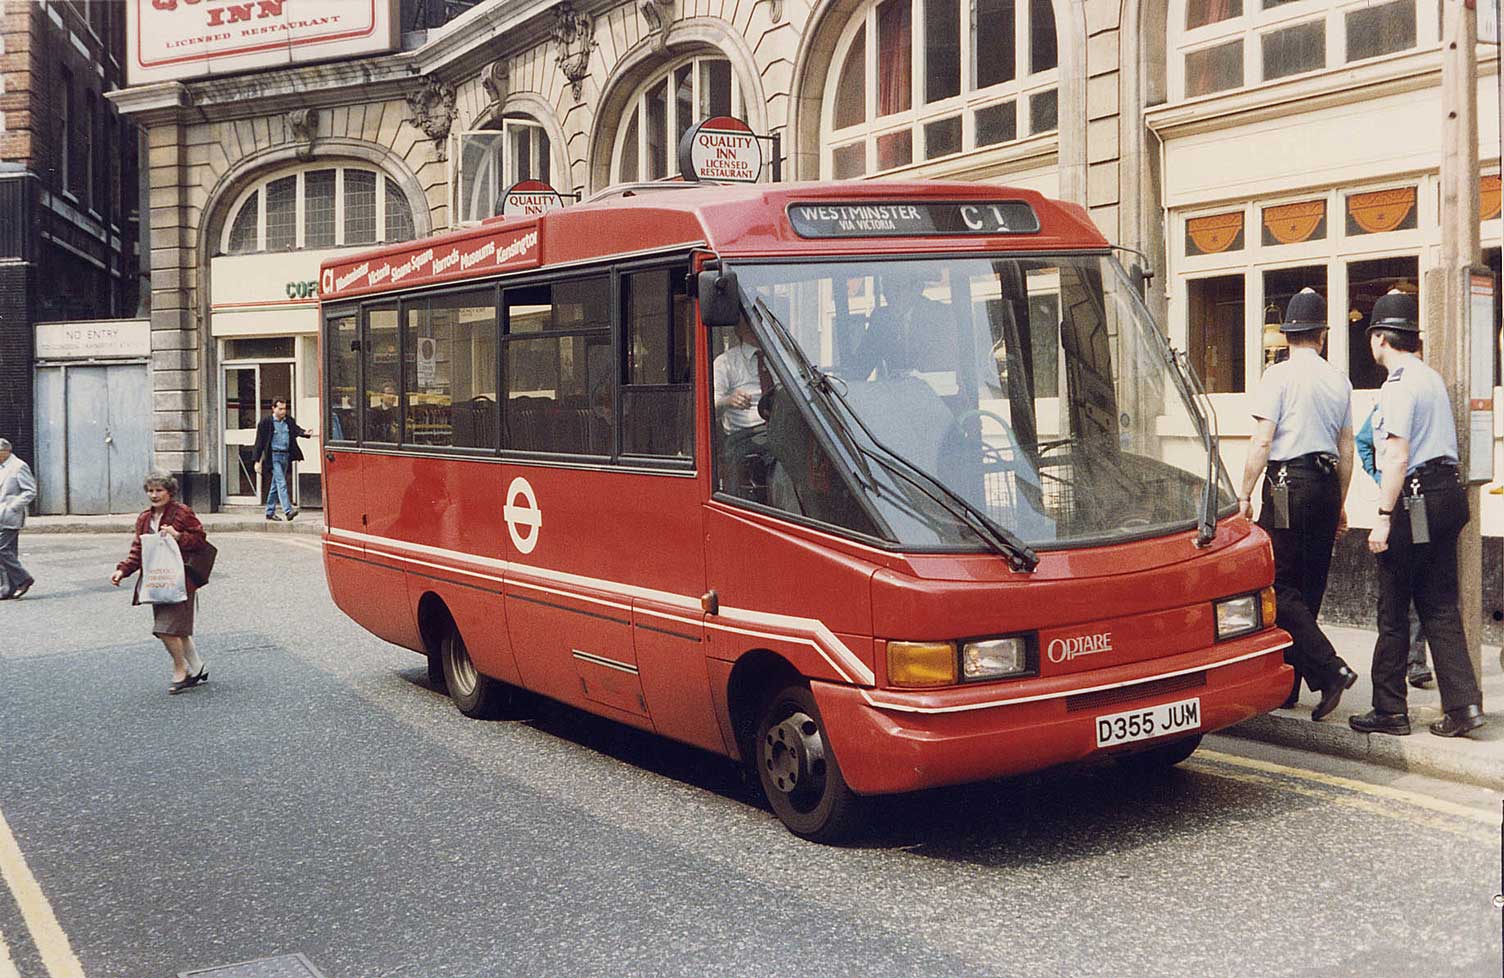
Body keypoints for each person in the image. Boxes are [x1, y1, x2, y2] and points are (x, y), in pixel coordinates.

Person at [1349, 290, 1486, 738]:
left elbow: (1397, 455)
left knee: (1392, 607)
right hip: (1447, 494)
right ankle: (1463, 707)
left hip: (1415, 498)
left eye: (1371, 335)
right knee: (1440, 605)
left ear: (1380, 338)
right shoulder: (1430, 378)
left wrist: (1384, 515)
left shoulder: (1398, 386)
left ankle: (1390, 710)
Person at [1236, 288, 1358, 721]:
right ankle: (1288, 685)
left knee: (1278, 586)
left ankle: (1330, 670)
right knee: (1309, 588)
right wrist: (1340, 502)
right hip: (1326, 485)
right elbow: (1347, 450)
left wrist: (1244, 493)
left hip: (1288, 485)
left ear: (1288, 336)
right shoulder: (1338, 379)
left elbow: (1263, 440)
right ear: (1321, 336)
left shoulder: (1278, 377)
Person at [110, 471, 212, 695]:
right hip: (157, 579)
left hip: (180, 579)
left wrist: (178, 536)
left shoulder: (182, 513)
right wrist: (123, 570)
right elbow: (139, 549)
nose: (154, 495)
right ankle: (198, 667)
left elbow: (200, 540)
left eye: (159, 490)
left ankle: (180, 670)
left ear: (170, 492)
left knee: (165, 629)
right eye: (150, 490)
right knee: (177, 629)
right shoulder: (144, 519)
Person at [1356, 402, 1432, 688]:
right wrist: (1381, 479)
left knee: (1423, 583)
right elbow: (1364, 442)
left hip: (1424, 501)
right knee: (1397, 588)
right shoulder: (1384, 404)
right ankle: (1408, 663)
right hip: (1395, 505)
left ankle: (1415, 661)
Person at [712, 316, 773, 495]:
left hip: (778, 429)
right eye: (751, 321)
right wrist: (729, 400)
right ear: (738, 329)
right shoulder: (726, 362)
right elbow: (709, 403)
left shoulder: (778, 360)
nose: (757, 326)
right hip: (744, 435)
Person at [252, 398, 316, 521]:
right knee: (281, 482)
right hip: (273, 456)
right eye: (280, 409)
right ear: (273, 408)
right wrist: (257, 461)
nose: (283, 411)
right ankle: (288, 511)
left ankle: (269, 512)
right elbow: (259, 442)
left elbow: (296, 430)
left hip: (285, 456)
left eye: (284, 408)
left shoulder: (288, 421)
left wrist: (305, 432)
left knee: (275, 485)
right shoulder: (266, 422)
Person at [0, 438, 37, 600]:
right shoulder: (2, 467)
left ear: (6, 451)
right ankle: (7, 588)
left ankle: (23, 578)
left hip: (10, 515)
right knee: (8, 553)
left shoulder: (18, 466)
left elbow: (30, 490)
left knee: (2, 550)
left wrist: (13, 506)